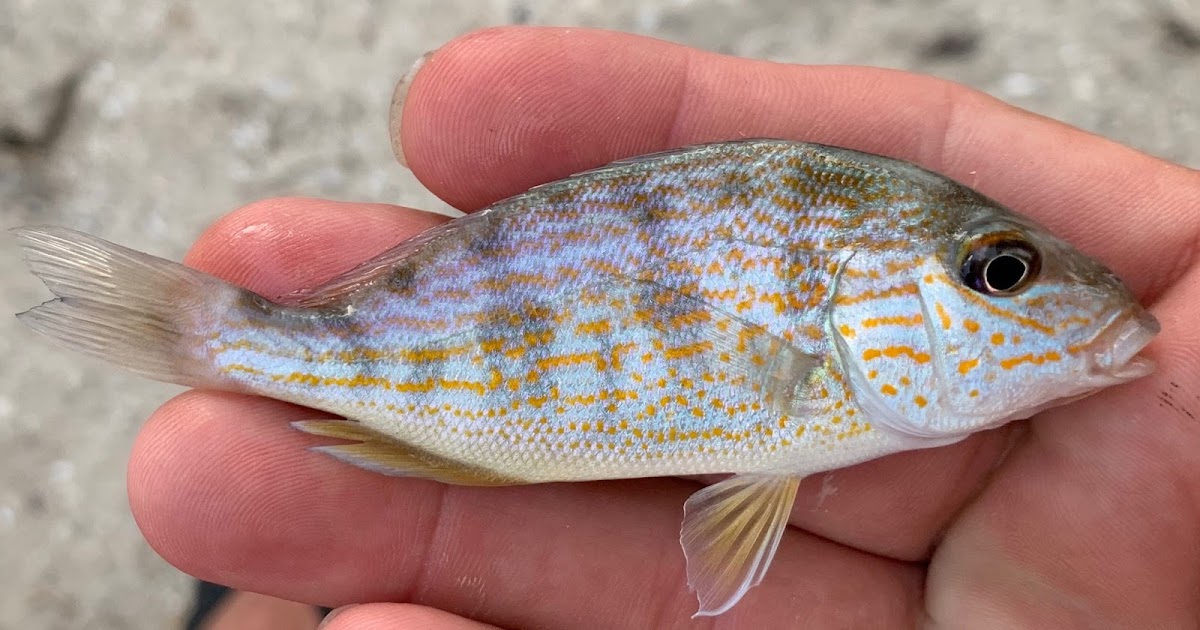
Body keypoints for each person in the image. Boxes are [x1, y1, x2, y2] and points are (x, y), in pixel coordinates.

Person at [157, 26, 1199, 629]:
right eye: (999, 272)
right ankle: (264, 501)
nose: (1078, 312)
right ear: (856, 295)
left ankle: (267, 589)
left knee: (271, 546)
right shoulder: (825, 388)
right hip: (458, 405)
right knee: (255, 503)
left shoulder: (848, 397)